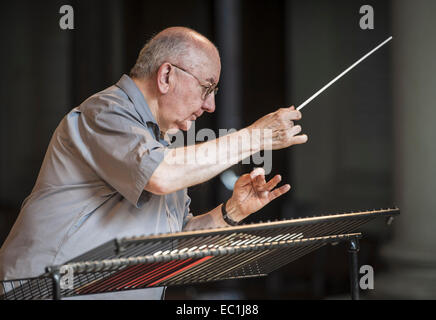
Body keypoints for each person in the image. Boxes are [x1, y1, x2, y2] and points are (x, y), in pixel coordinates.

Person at [0, 27, 307, 299]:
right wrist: (256, 137)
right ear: (166, 76)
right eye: (206, 88)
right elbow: (159, 175)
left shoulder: (161, 144)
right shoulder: (105, 111)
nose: (210, 105)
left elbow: (178, 242)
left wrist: (233, 211)